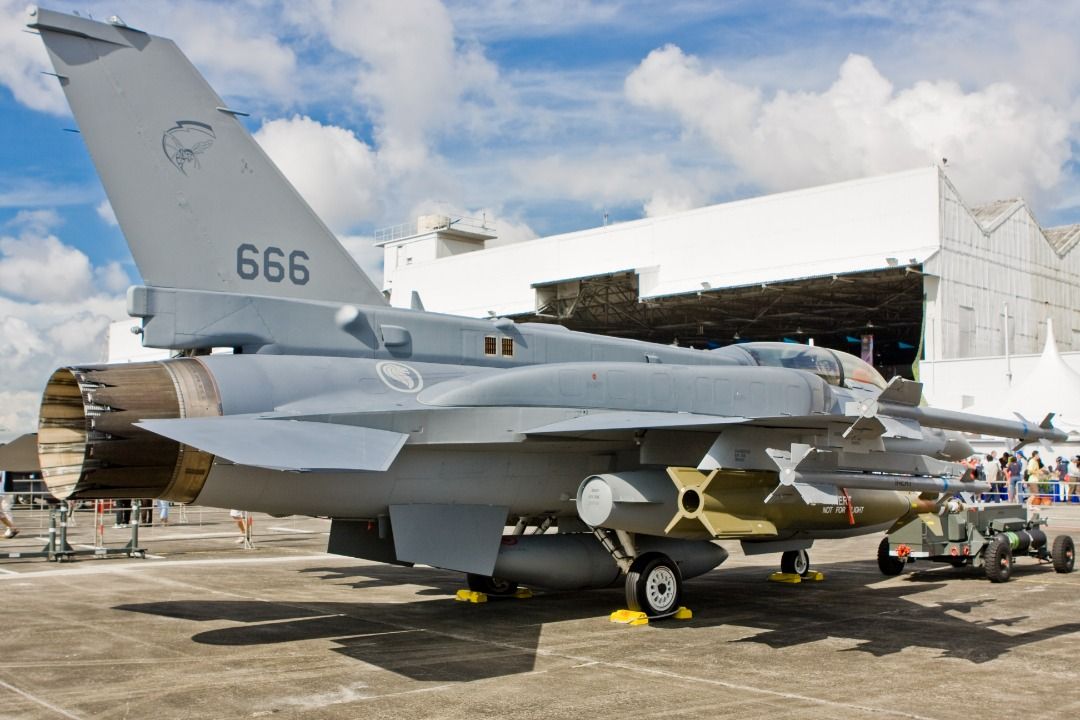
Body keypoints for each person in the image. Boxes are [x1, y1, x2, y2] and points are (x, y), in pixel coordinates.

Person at [1, 470, 19, 539]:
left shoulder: (7, 467)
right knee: (4, 511)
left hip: (6, 491)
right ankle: (12, 529)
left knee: (5, 510)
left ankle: (11, 530)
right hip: (4, 491)